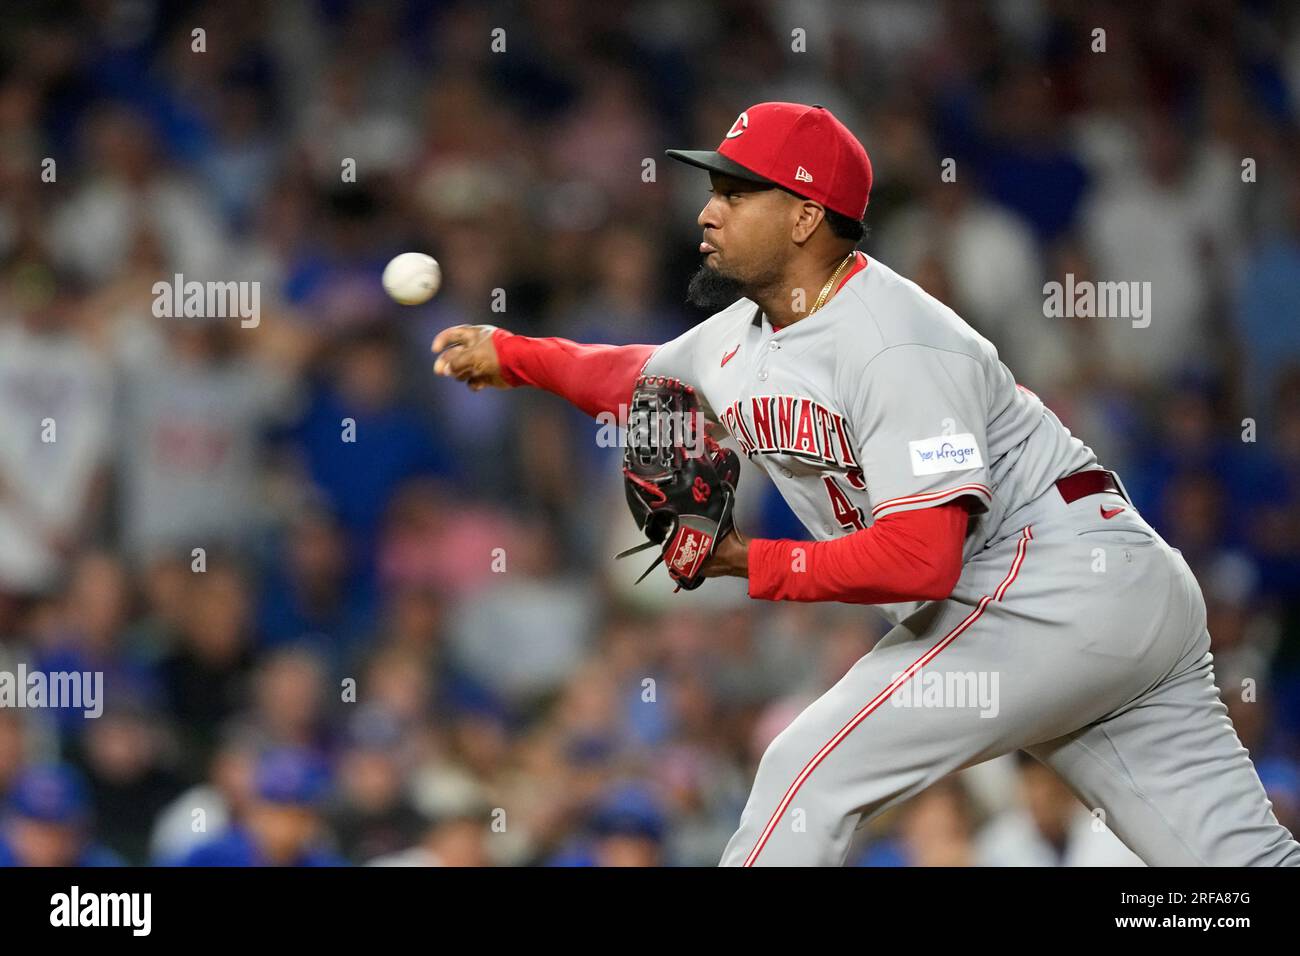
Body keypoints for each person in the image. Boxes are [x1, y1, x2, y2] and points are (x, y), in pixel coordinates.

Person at [431, 102, 1300, 867]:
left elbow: (923, 562)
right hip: (1094, 609)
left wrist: (743, 562)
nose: (708, 211)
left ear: (806, 214)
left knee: (805, 769)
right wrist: (512, 356)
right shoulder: (745, 334)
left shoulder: (894, 341)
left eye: (737, 192)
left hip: (1056, 581)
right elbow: (637, 375)